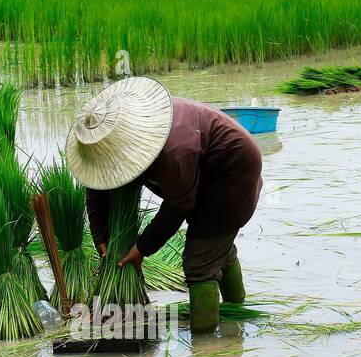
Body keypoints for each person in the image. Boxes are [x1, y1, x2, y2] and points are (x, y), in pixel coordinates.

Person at [64, 76, 262, 333]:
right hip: (201, 166)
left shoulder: (174, 151)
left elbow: (178, 206)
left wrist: (141, 248)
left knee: (200, 261)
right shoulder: (115, 134)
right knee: (216, 249)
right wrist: (101, 236)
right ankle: (236, 310)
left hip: (232, 171)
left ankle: (206, 346)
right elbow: (97, 183)